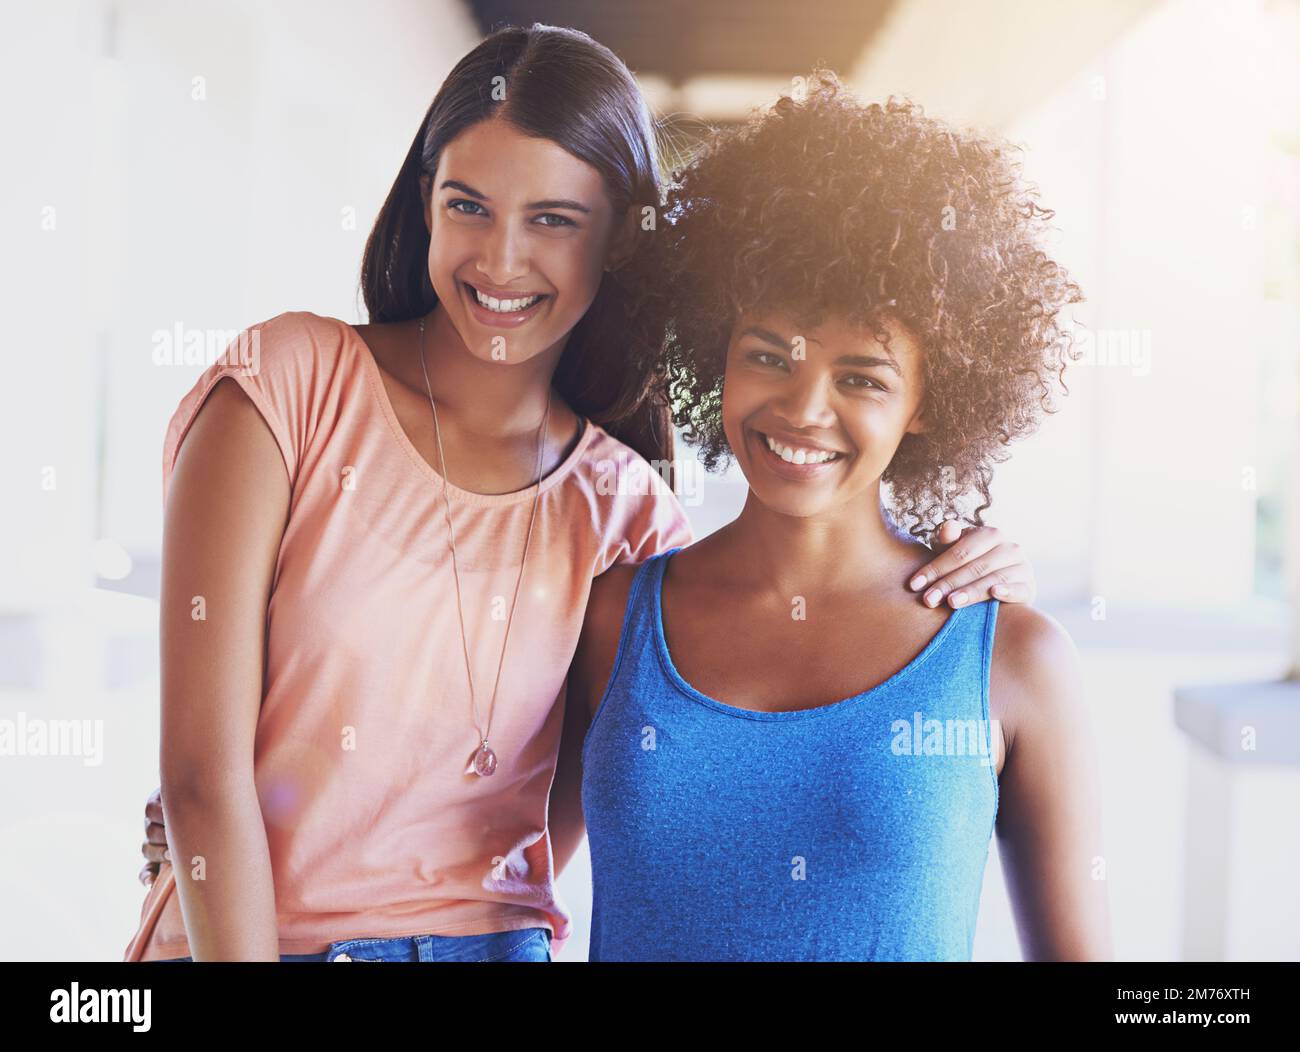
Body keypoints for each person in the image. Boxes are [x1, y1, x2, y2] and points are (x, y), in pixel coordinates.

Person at [129, 31, 1039, 963]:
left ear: (620, 242)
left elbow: (573, 820)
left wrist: (964, 567)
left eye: (554, 220)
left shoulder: (629, 518)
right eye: (468, 206)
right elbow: (200, 779)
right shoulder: (290, 387)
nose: (502, 260)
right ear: (424, 206)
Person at [564, 75, 1111, 961]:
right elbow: (498, 881)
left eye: (862, 377)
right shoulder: (610, 618)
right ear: (717, 353)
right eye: (769, 355)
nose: (803, 409)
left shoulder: (1012, 657)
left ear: (932, 403)